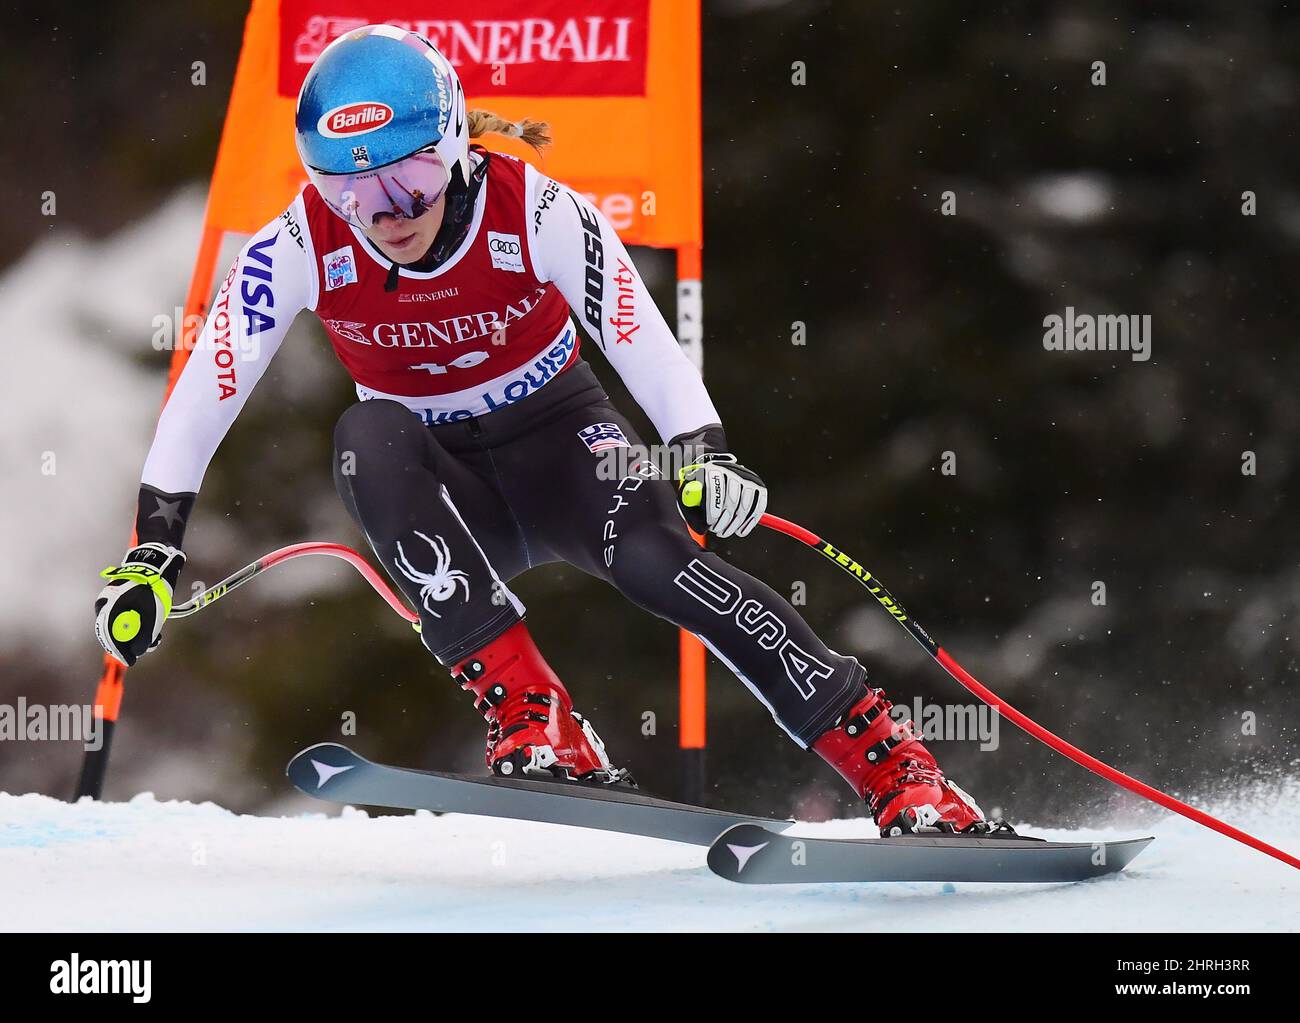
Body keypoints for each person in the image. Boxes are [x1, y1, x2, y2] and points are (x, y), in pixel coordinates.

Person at [93, 24, 996, 835]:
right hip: (446, 489)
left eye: (407, 178)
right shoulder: (296, 243)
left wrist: (702, 451)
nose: (389, 215)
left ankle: (898, 771)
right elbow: (211, 387)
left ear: (451, 147)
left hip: (564, 449)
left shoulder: (534, 207)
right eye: (354, 191)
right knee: (366, 435)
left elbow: (639, 334)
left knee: (660, 564)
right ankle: (538, 717)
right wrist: (155, 548)